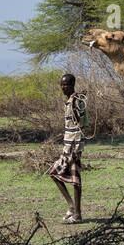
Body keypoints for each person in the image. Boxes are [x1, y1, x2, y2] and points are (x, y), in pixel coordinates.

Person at [48, 72, 87, 223]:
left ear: (72, 85)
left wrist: (76, 103)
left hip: (75, 146)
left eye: (66, 85)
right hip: (67, 145)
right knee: (54, 173)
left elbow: (80, 122)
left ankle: (77, 215)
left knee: (75, 179)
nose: (63, 87)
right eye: (62, 85)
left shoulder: (77, 100)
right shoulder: (70, 100)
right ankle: (72, 207)